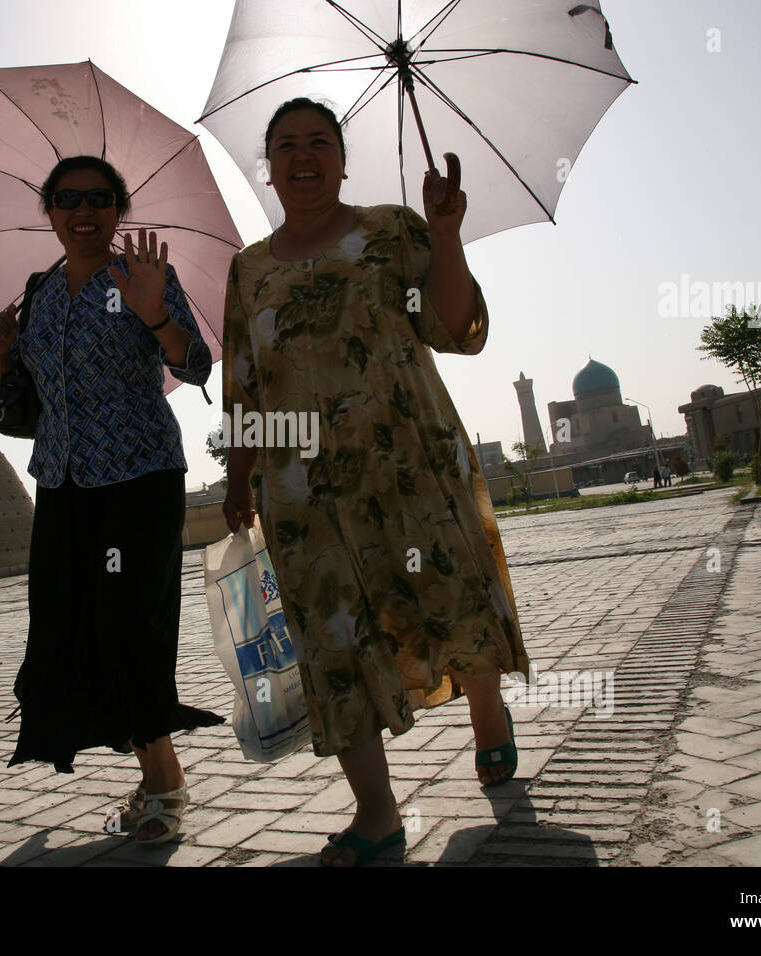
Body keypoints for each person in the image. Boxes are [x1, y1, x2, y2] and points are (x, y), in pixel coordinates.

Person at [221, 99, 530, 867]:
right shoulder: (248, 269)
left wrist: (448, 237)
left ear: (342, 159)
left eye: (319, 142)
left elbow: (455, 327)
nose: (303, 155)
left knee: (452, 592)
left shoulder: (392, 230)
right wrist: (239, 479)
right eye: (286, 145)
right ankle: (378, 814)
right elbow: (243, 385)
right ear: (269, 166)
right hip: (302, 496)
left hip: (409, 458)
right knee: (332, 640)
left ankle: (486, 710)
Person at [0, 155, 223, 845]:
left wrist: (156, 317)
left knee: (130, 626)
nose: (82, 211)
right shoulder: (40, 293)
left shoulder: (142, 276)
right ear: (49, 211)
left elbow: (195, 366)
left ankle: (165, 780)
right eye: (67, 199)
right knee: (67, 628)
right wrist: (4, 354)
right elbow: (17, 416)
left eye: (98, 198)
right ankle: (147, 768)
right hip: (61, 484)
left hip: (139, 479)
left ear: (120, 209)